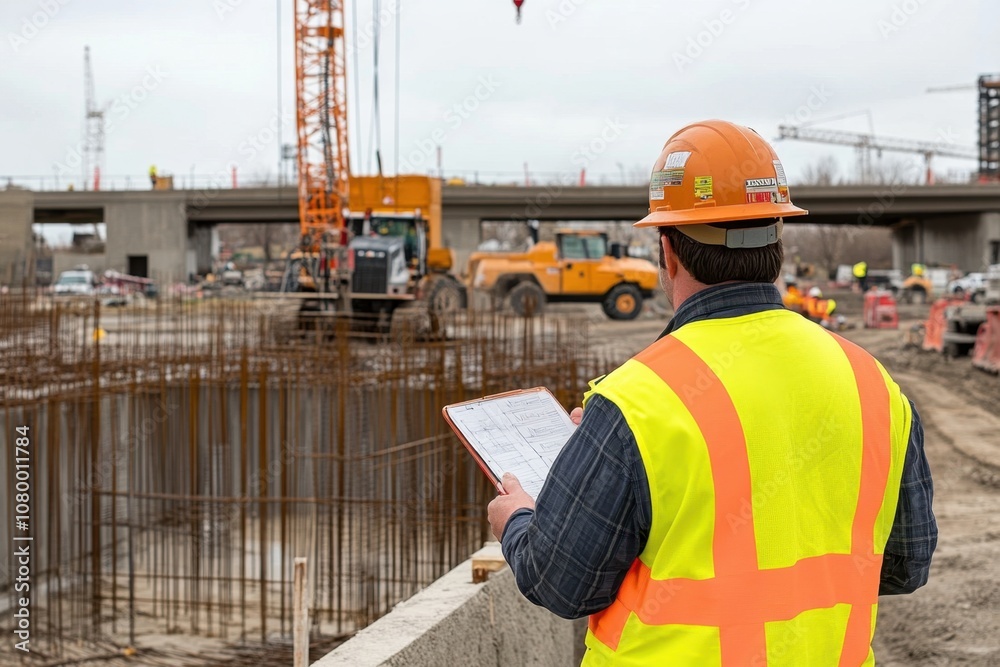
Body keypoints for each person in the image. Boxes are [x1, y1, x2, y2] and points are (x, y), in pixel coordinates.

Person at [487, 120, 936, 665]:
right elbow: (906, 563)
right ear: (778, 239)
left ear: (668, 251)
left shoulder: (637, 403)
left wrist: (518, 519)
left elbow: (563, 583)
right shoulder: (873, 384)